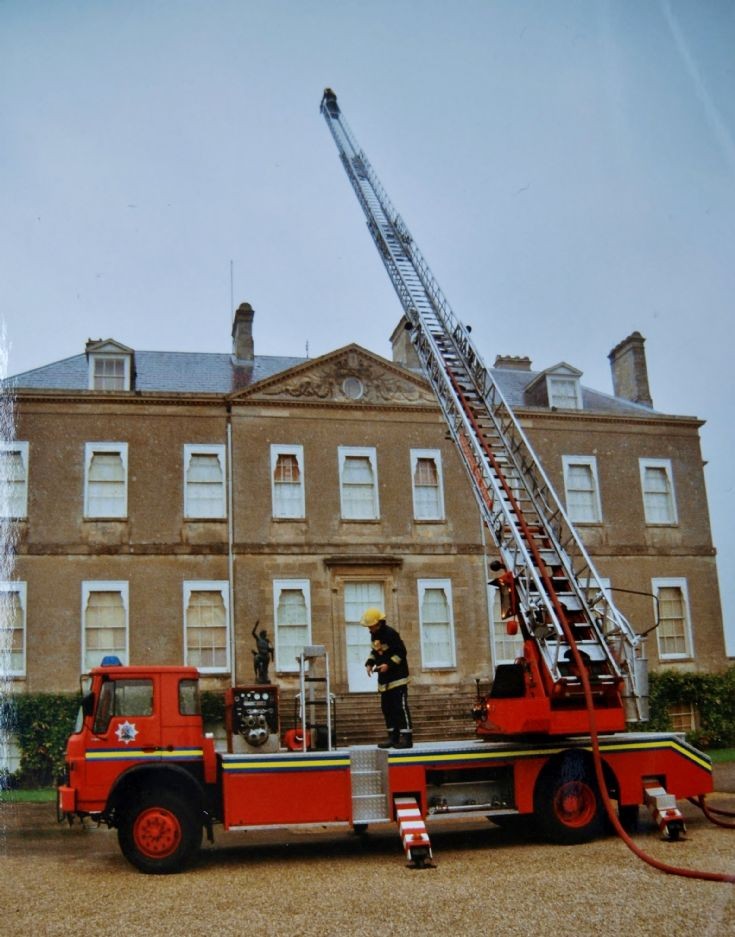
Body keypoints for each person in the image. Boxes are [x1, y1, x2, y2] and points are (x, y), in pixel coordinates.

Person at [361, 607, 412, 749]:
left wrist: (388, 665)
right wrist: (370, 663)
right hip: (385, 680)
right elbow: (375, 651)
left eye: (371, 626)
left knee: (399, 707)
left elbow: (401, 653)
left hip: (398, 678)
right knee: (387, 708)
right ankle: (392, 737)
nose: (369, 629)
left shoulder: (391, 634)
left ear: (378, 623)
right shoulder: (374, 635)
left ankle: (406, 738)